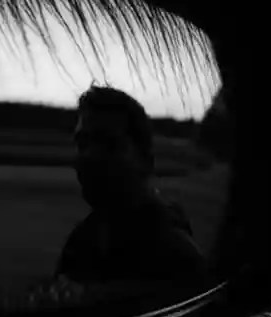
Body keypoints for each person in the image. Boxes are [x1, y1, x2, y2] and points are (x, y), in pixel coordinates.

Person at [54, 85, 209, 286]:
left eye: (109, 144)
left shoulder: (176, 258)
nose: (89, 156)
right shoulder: (83, 241)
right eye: (82, 143)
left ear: (146, 161)